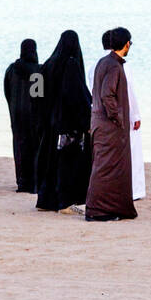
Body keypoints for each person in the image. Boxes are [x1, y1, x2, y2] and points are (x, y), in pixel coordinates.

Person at [83, 28, 138, 221]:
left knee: (108, 167)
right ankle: (97, 211)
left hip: (99, 122)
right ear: (126, 44)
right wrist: (118, 117)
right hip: (109, 126)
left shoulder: (103, 62)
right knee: (106, 168)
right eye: (130, 42)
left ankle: (113, 209)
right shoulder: (114, 66)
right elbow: (107, 94)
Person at [35, 30, 92, 211]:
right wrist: (87, 120)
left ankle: (46, 200)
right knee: (68, 163)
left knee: (51, 163)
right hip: (68, 124)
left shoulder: (48, 65)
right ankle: (64, 202)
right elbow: (76, 96)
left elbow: (36, 94)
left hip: (50, 125)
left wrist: (42, 118)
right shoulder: (71, 65)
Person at [3, 38, 41, 193]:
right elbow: (38, 96)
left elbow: (7, 91)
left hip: (16, 115)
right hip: (33, 116)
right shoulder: (37, 71)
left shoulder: (12, 69)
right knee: (34, 147)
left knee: (19, 146)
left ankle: (22, 181)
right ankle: (33, 182)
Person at [128, 62, 145, 200]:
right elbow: (129, 92)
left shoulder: (96, 65)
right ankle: (134, 191)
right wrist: (135, 115)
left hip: (102, 115)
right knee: (133, 153)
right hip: (123, 115)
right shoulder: (123, 66)